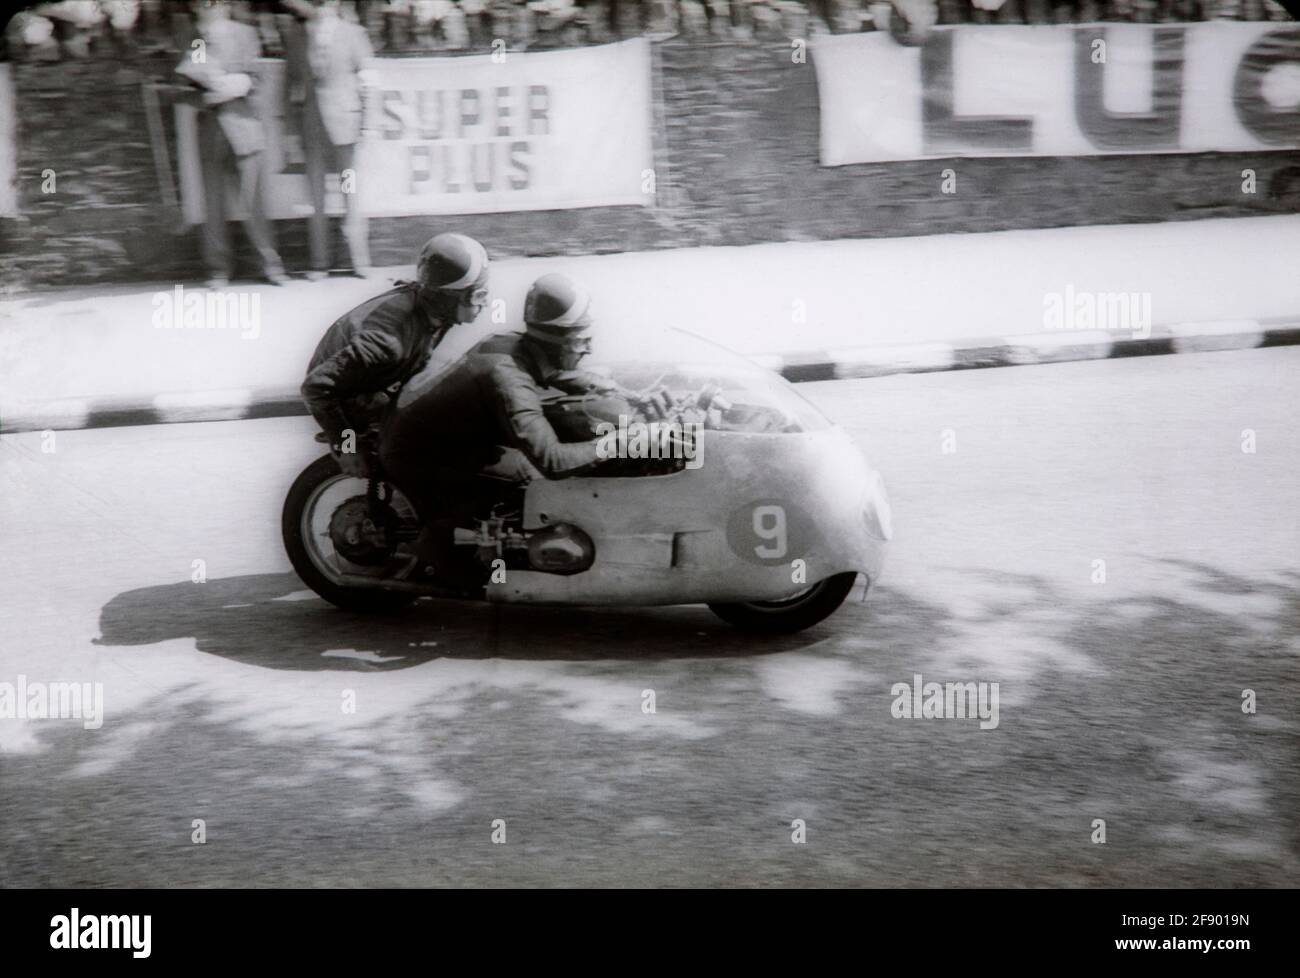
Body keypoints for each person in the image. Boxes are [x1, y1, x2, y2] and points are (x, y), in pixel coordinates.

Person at [301, 232, 490, 478]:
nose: (485, 303)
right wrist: (346, 446)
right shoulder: (389, 342)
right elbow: (316, 388)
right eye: (479, 295)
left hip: (379, 377)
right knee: (431, 442)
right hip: (350, 397)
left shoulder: (437, 311)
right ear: (447, 298)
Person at [177, 0, 288, 288]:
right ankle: (218, 270)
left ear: (225, 6)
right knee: (212, 206)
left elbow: (258, 81)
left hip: (245, 130)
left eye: (212, 4)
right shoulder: (195, 40)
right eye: (202, 5)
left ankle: (271, 265)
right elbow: (184, 90)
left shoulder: (245, 34)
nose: (205, 8)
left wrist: (237, 85)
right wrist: (207, 96)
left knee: (254, 203)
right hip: (211, 131)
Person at [282, 0, 376, 278]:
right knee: (317, 199)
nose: (322, 5)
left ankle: (360, 261)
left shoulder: (354, 33)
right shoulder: (297, 36)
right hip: (311, 128)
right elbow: (290, 86)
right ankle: (319, 263)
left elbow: (370, 81)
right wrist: (289, 131)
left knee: (350, 194)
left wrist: (368, 123)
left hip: (345, 127)